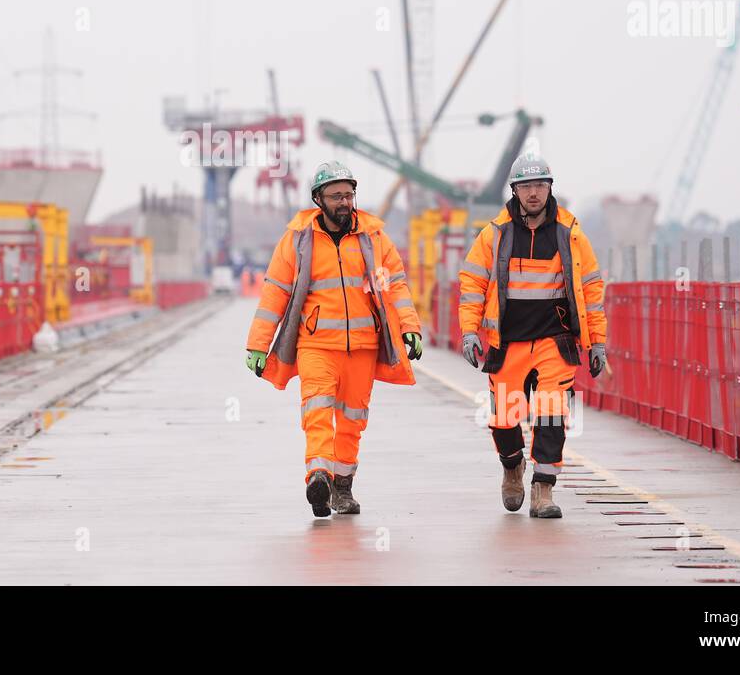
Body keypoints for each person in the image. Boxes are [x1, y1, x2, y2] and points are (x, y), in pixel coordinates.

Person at [245, 160, 422, 517]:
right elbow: (275, 291)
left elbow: (394, 286)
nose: (344, 202)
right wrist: (257, 343)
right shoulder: (297, 240)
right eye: (336, 195)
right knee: (317, 410)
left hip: (363, 346)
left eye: (348, 194)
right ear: (318, 200)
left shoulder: (373, 238)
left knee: (353, 419)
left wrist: (409, 325)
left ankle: (342, 487)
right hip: (315, 345)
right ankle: (318, 476)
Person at [457, 155, 607, 518]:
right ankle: (512, 467)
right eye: (526, 186)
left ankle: (543, 489)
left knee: (553, 413)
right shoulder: (495, 234)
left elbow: (591, 288)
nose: (534, 192)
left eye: (540, 185)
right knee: (504, 419)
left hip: (555, 342)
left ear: (550, 188)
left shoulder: (569, 234)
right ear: (515, 191)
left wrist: (598, 341)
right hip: (507, 343)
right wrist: (469, 332)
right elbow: (473, 284)